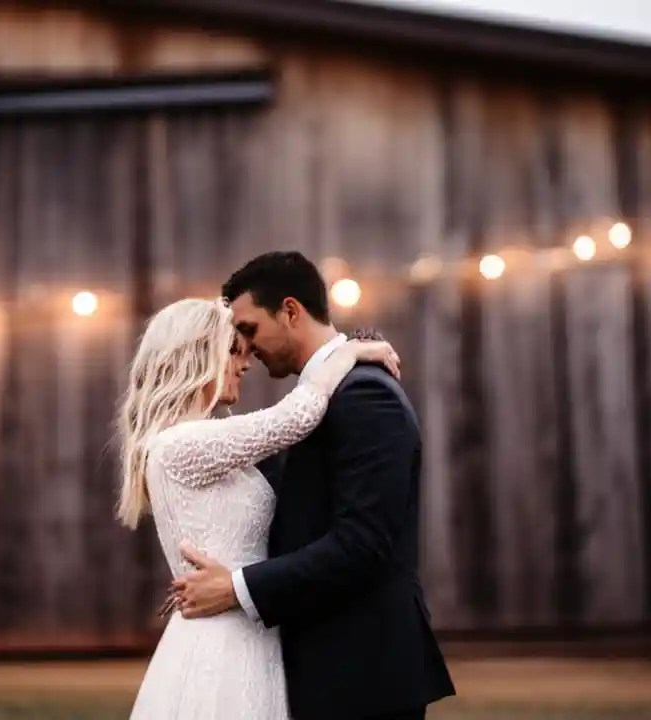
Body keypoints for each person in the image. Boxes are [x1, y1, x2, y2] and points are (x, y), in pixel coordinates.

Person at [168, 251, 456, 719]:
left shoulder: (365, 396)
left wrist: (237, 587)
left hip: (363, 674)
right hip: (330, 669)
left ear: (290, 311)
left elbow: (362, 543)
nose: (244, 348)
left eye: (249, 328)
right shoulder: (320, 400)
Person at [118, 294, 401, 719]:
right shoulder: (182, 444)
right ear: (196, 357)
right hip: (224, 646)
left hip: (246, 632)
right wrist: (348, 352)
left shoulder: (198, 440)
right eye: (233, 351)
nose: (245, 363)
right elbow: (298, 416)